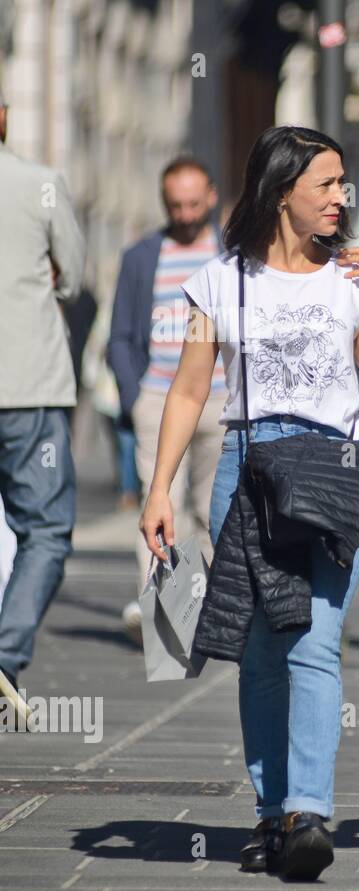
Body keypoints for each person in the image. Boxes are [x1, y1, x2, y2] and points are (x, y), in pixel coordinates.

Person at [139, 125, 359, 880]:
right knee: (260, 651)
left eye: (341, 184)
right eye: (324, 184)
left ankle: (307, 813)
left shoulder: (354, 280)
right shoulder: (219, 281)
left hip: (330, 469)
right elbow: (190, 387)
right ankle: (270, 814)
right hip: (247, 464)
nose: (339, 198)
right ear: (281, 190)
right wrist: (159, 488)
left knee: (316, 643)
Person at [109, 157, 227, 642]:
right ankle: (159, 614)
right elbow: (119, 335)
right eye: (175, 205)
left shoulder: (232, 253)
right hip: (159, 397)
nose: (184, 213)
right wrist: (135, 395)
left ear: (212, 198)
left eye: (193, 204)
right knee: (160, 505)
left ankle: (205, 614)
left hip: (221, 402)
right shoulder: (141, 256)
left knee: (211, 511)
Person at [0, 82, 86, 725]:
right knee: (46, 529)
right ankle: (4, 656)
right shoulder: (40, 184)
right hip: (26, 383)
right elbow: (75, 275)